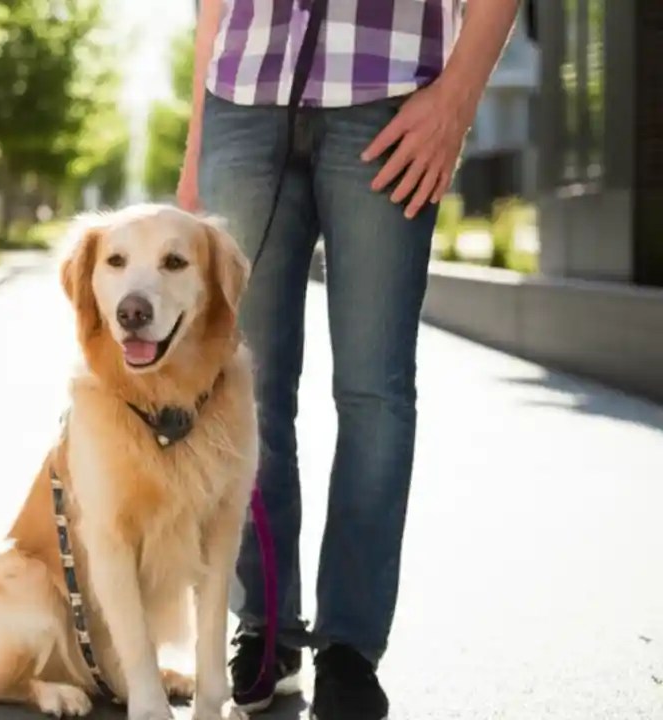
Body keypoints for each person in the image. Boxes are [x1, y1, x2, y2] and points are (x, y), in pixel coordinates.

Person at [177, 1, 520, 718]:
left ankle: (350, 649)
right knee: (245, 388)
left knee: (375, 392)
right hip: (242, 96)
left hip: (390, 93)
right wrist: (196, 147)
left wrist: (457, 98)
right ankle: (265, 624)